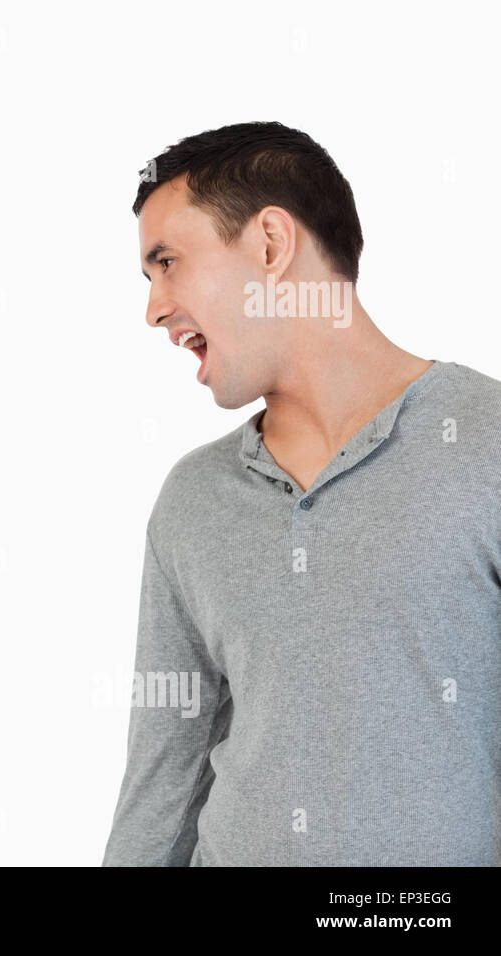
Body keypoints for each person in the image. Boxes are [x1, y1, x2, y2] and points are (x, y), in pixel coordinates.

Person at [103, 122, 501, 865]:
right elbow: (165, 769)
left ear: (270, 245)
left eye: (168, 263)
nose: (154, 309)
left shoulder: (485, 444)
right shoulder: (192, 499)